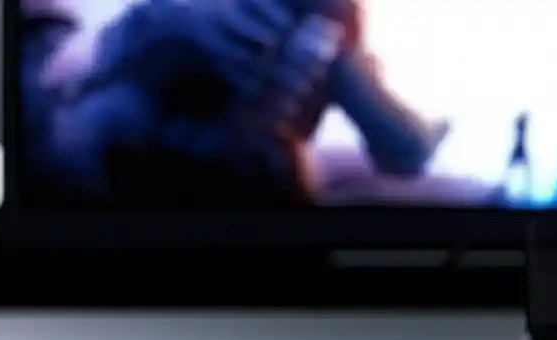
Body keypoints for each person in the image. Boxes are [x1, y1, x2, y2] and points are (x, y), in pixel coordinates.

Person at [25, 0, 448, 206]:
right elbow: (404, 151)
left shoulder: (157, 12)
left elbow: (71, 81)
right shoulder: (321, 33)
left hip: (90, 170)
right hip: (224, 192)